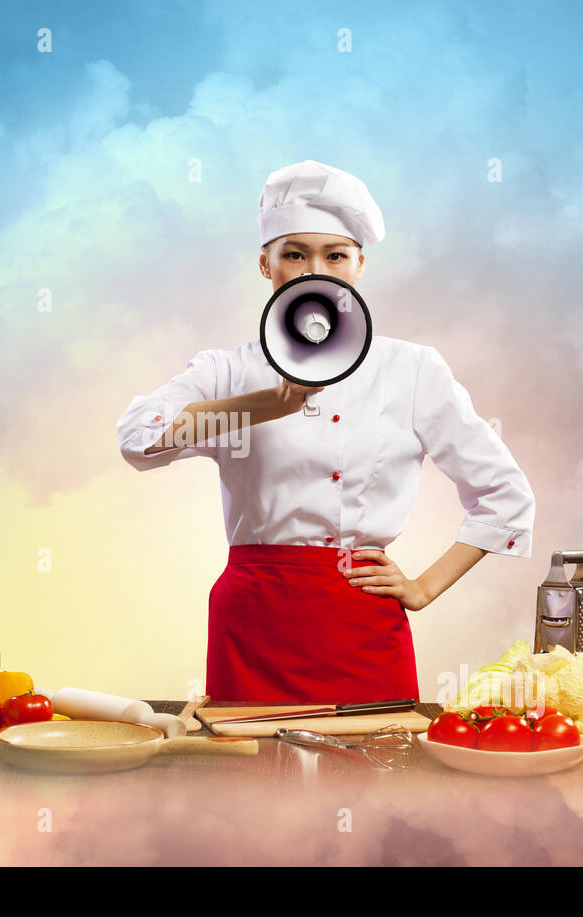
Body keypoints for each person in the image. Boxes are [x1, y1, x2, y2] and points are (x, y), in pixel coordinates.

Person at [116, 159, 536, 704]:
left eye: (335, 255)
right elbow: (139, 439)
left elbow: (505, 496)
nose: (316, 270)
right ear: (265, 265)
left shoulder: (411, 369)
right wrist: (270, 402)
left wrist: (423, 587)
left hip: (359, 619)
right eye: (295, 254)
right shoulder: (226, 369)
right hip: (253, 619)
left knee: (373, 781)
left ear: (359, 265)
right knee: (254, 783)